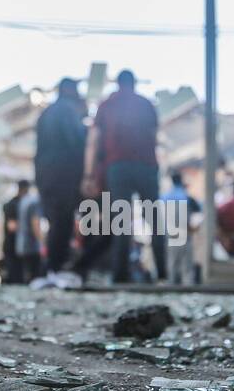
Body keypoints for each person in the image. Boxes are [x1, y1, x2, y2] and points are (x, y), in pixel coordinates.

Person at [79, 69, 167, 283]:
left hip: (117, 166)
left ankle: (120, 275)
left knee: (121, 222)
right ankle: (163, 274)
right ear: (134, 83)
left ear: (117, 84)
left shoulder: (106, 105)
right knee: (154, 220)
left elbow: (94, 140)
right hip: (146, 165)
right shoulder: (146, 104)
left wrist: (89, 175)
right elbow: (155, 137)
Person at [34, 78, 88, 275]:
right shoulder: (67, 111)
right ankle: (56, 267)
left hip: (46, 175)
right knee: (63, 223)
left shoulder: (46, 114)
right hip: (64, 176)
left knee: (57, 222)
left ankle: (53, 267)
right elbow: (77, 142)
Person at [161, 171, 201, 285]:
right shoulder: (186, 196)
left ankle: (171, 285)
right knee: (187, 265)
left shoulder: (164, 197)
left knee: (172, 263)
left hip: (170, 234)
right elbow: (198, 214)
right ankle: (187, 286)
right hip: (185, 233)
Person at [1, 180, 29, 284]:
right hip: (12, 244)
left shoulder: (21, 203)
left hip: (18, 245)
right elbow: (11, 226)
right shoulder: (13, 204)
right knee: (14, 276)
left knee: (19, 275)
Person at [15, 184, 44, 281]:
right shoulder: (35, 202)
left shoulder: (23, 201)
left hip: (21, 244)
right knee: (35, 277)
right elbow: (35, 224)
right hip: (32, 245)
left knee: (26, 274)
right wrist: (43, 243)